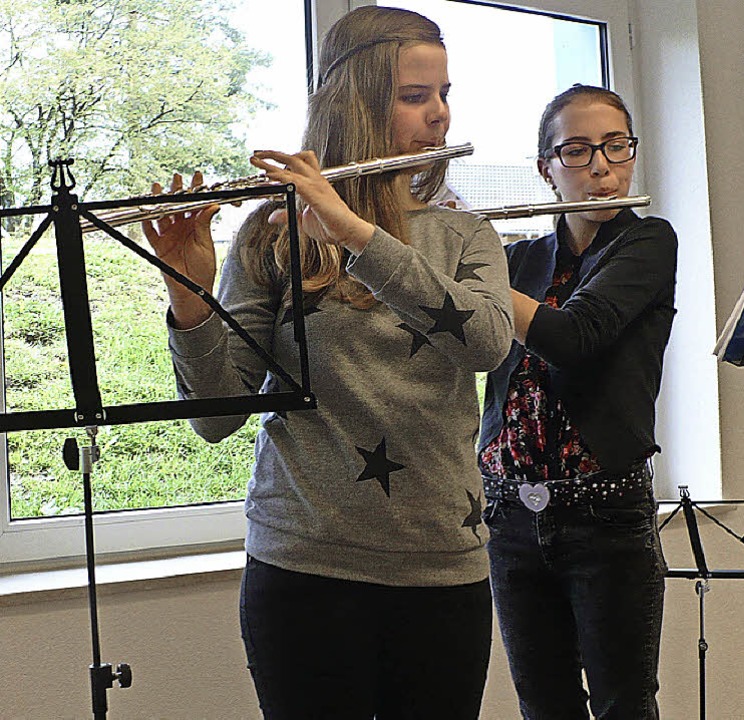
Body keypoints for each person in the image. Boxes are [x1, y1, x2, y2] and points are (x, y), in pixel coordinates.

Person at [142, 7, 513, 718]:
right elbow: (217, 418)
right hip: (302, 567)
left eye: (444, 95)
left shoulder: (465, 233)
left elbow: (486, 344)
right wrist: (189, 298)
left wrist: (353, 233)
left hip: (441, 567)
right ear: (355, 105)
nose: (438, 115)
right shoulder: (269, 233)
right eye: (414, 97)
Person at [479, 84, 678, 720]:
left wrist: (472, 267)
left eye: (616, 147)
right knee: (544, 704)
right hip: (510, 516)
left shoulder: (646, 243)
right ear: (546, 169)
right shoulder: (520, 259)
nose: (601, 167)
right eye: (578, 151)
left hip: (605, 517)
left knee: (623, 706)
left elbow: (575, 338)